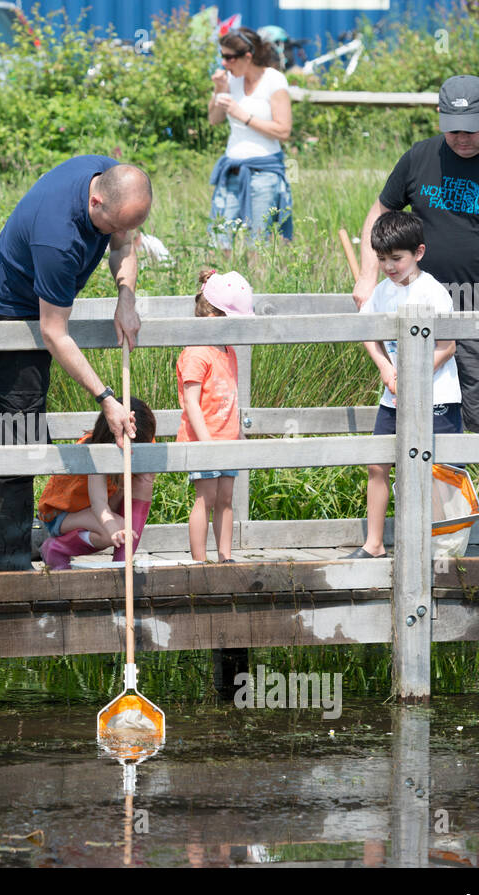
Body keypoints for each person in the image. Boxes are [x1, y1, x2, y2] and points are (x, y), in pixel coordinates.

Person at [353, 75, 479, 557]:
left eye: (468, 127)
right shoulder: (421, 156)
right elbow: (379, 213)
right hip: (416, 307)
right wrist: (364, 275)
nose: (459, 138)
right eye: (451, 127)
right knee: (412, 421)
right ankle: (418, 539)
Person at [0, 156, 153, 571]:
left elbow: (124, 244)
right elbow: (54, 332)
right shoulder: (59, 238)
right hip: (6, 309)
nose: (118, 234)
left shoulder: (111, 180)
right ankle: (9, 560)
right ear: (95, 201)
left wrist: (126, 298)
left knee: (1, 411)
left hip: (30, 303)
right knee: (22, 428)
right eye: (111, 225)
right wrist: (106, 397)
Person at [347, 211, 461, 559]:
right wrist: (385, 368)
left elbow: (448, 345)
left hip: (435, 395)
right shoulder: (381, 293)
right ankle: (375, 543)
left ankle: (436, 548)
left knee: (434, 469)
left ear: (419, 253)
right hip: (393, 395)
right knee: (378, 464)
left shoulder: (433, 292)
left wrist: (415, 376)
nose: (389, 266)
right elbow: (368, 332)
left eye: (396, 258)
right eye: (382, 259)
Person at [177, 269, 250, 563]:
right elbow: (192, 402)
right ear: (212, 319)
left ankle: (225, 557)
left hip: (227, 437)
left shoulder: (227, 350)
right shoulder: (197, 352)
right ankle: (199, 560)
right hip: (204, 438)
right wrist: (206, 441)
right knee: (205, 498)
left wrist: (238, 432)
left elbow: (230, 393)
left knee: (226, 498)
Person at [37, 400, 158, 569]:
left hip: (99, 509)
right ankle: (57, 548)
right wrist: (115, 530)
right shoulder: (96, 451)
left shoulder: (140, 437)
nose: (130, 454)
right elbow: (99, 503)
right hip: (64, 514)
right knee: (121, 528)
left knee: (144, 477)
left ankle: (122, 563)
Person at [206, 27, 293, 252]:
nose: (224, 63)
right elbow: (214, 119)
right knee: (218, 239)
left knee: (258, 243)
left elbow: (283, 130)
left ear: (248, 56)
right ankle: (219, 286)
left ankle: (259, 285)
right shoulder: (231, 80)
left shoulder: (274, 80)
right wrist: (218, 90)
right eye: (222, 56)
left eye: (229, 57)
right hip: (232, 169)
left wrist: (243, 116)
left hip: (264, 172)